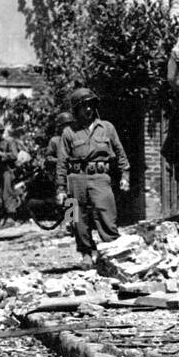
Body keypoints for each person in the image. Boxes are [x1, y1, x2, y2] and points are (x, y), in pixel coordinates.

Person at [55, 89, 129, 261]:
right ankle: (86, 253)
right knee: (77, 219)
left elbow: (120, 153)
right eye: (82, 107)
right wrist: (60, 188)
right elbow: (62, 162)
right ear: (76, 110)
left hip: (100, 178)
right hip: (75, 180)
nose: (87, 109)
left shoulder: (107, 128)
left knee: (107, 214)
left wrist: (125, 175)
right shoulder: (68, 132)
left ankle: (113, 254)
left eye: (90, 105)